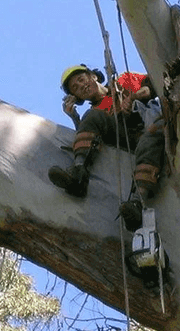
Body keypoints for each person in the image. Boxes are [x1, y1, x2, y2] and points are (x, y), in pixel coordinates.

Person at [48, 63, 166, 230]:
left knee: (152, 135)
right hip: (122, 140)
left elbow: (153, 86)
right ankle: (78, 176)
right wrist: (75, 117)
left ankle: (137, 203)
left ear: (93, 76)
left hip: (145, 131)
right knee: (92, 116)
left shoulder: (124, 80)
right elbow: (90, 136)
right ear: (76, 97)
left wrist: (134, 97)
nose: (81, 86)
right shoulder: (95, 112)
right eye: (75, 88)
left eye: (82, 79)